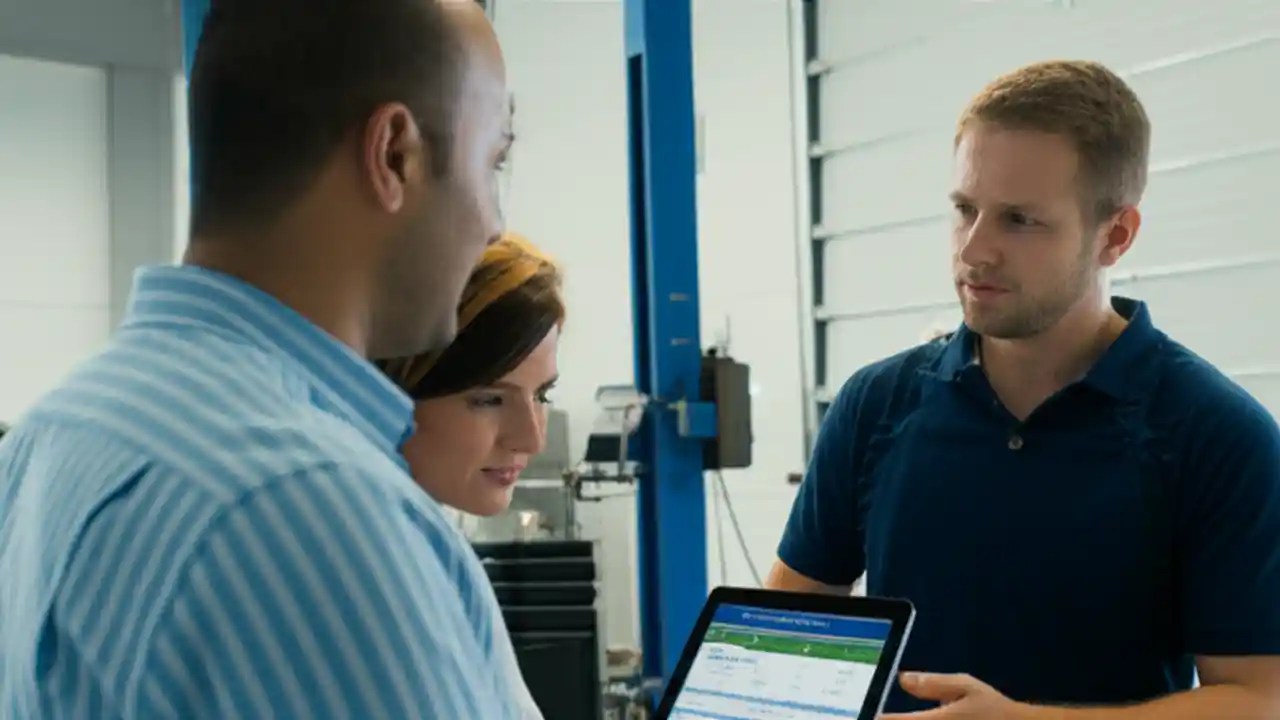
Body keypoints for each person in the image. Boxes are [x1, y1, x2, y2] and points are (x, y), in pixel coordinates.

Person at [0, 1, 520, 718]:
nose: (496, 221)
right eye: (494, 160)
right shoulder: (313, 504)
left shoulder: (54, 434)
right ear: (394, 153)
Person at [770, 60, 1280, 718]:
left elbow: (1261, 699)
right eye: (964, 210)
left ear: (1115, 236)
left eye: (1020, 221)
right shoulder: (875, 407)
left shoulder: (1217, 437)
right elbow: (783, 646)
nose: (974, 251)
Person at [376, 231, 564, 720]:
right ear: (395, 384)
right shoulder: (386, 564)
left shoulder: (436, 552)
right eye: (488, 399)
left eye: (542, 394)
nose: (531, 439)